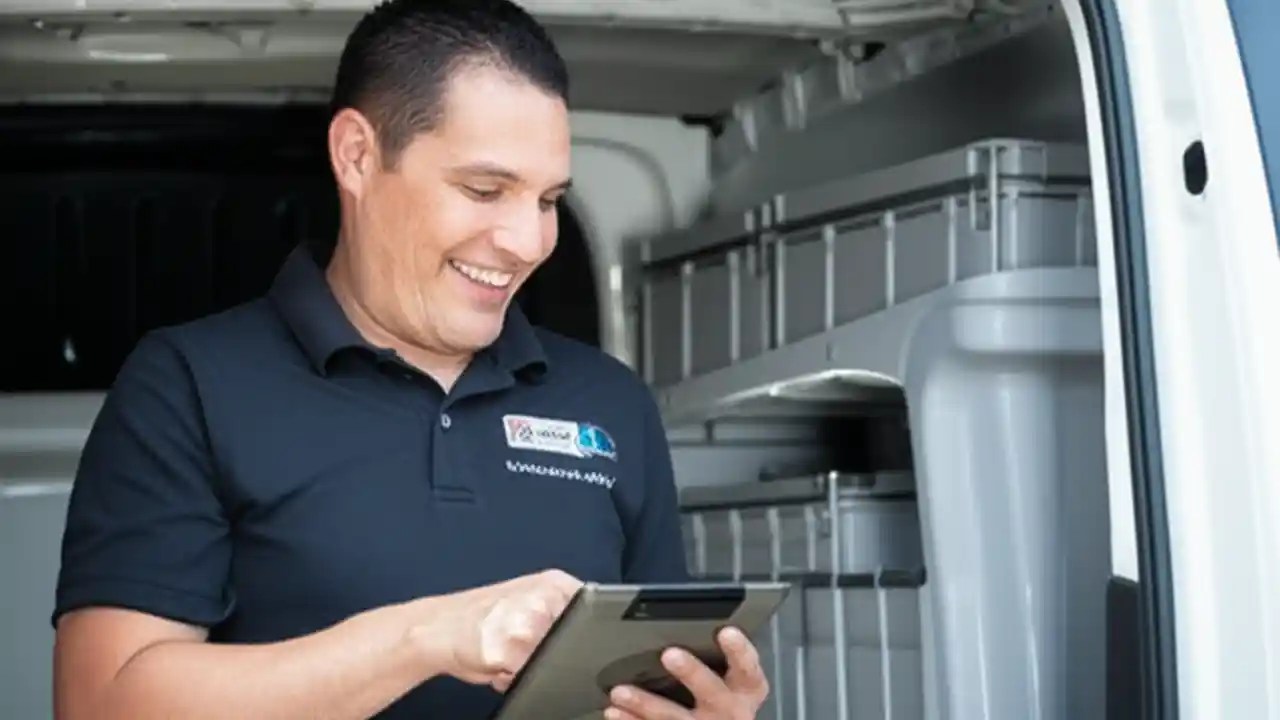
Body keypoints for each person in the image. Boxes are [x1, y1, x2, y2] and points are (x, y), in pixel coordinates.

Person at [50, 0, 772, 718]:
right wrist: (427, 637)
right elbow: (100, 703)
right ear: (357, 155)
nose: (526, 240)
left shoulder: (609, 402)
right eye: (485, 190)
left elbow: (643, 687)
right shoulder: (189, 383)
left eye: (549, 199)